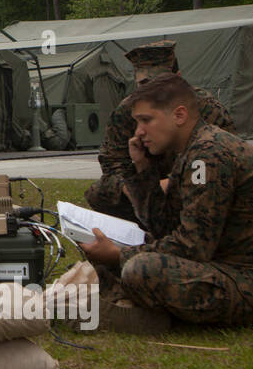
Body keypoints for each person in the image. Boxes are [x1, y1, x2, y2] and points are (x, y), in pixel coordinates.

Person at [78, 73, 253, 333]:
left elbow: (192, 247)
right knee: (115, 264)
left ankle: (139, 307)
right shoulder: (193, 150)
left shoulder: (209, 154)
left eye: (146, 120)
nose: (138, 132)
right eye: (137, 122)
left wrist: (119, 255)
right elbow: (164, 227)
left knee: (139, 269)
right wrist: (143, 168)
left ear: (179, 116)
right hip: (233, 268)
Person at [85, 39, 236, 236]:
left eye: (160, 84)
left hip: (194, 188)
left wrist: (172, 183)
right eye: (144, 84)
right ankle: (136, 233)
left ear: (179, 79)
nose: (152, 92)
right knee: (100, 192)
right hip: (147, 186)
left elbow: (225, 162)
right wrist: (136, 186)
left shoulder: (206, 109)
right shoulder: (125, 111)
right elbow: (112, 163)